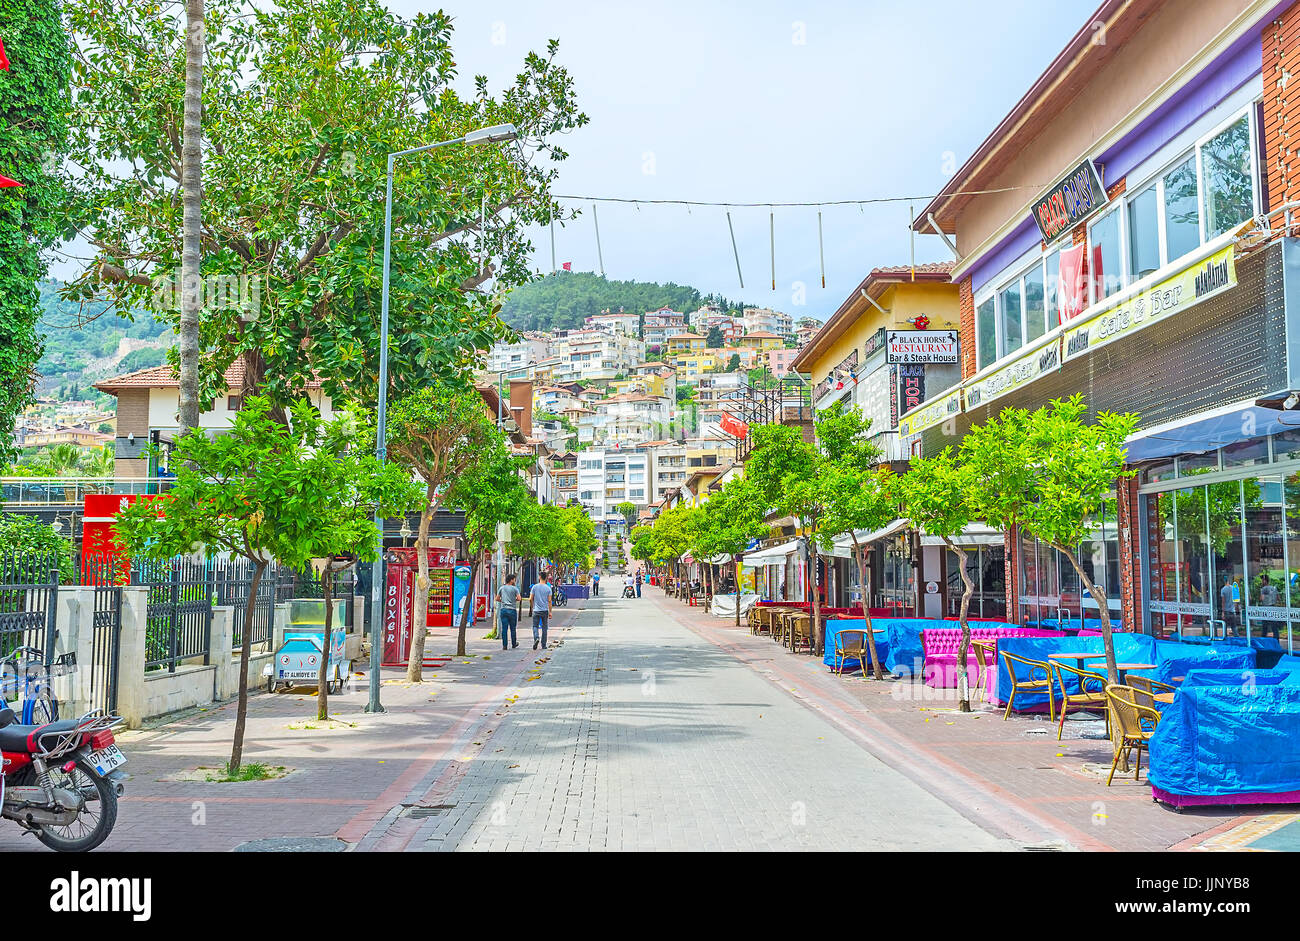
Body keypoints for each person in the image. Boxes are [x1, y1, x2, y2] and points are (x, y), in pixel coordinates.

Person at [528, 570, 554, 650]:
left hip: (536, 610)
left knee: (535, 626)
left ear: (539, 577)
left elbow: (530, 598)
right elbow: (549, 601)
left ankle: (536, 638)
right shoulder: (548, 588)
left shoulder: (534, 587)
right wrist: (550, 612)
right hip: (544, 610)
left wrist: (532, 608)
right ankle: (543, 645)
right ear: (546, 578)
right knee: (544, 627)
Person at [495, 573, 520, 650]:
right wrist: (513, 600)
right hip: (512, 610)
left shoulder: (502, 588)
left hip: (504, 610)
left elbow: (497, 598)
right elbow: (519, 598)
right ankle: (513, 643)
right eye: (514, 579)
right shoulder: (515, 589)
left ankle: (504, 645)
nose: (514, 580)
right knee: (513, 628)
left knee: (504, 629)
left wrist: (503, 601)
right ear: (511, 580)